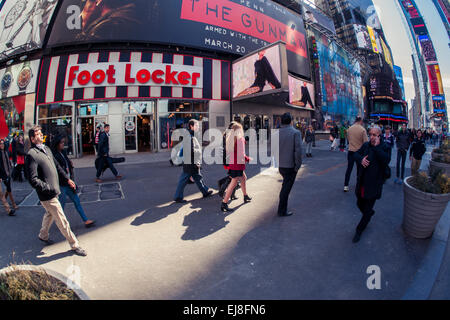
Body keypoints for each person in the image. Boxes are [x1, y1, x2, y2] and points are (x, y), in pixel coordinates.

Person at [25, 126, 87, 256]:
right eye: (37, 134)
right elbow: (33, 179)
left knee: (50, 214)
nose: (41, 135)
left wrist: (67, 179)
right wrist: (48, 187)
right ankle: (74, 245)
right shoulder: (32, 155)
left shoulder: (46, 149)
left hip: (55, 190)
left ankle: (43, 235)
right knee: (62, 220)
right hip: (47, 195)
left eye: (41, 133)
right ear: (32, 138)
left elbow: (57, 167)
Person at [352, 126, 390, 243]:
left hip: (374, 184)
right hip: (362, 182)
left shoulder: (384, 147)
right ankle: (369, 214)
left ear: (379, 136)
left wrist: (377, 147)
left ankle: (359, 230)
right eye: (370, 134)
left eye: (374, 135)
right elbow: (355, 154)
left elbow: (386, 160)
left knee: (367, 210)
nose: (372, 137)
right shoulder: (366, 145)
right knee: (359, 203)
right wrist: (361, 159)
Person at [52, 136, 95, 228]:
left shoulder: (63, 152)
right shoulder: (55, 156)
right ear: (57, 144)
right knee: (61, 205)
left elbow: (66, 163)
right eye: (61, 143)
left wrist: (69, 165)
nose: (63, 144)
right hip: (62, 184)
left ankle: (85, 220)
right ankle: (60, 223)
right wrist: (68, 179)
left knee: (76, 200)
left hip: (68, 181)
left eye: (63, 142)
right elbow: (59, 170)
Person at [173, 119, 213, 203]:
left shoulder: (192, 135)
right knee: (183, 179)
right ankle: (177, 197)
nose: (198, 127)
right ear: (191, 126)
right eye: (196, 125)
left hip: (192, 162)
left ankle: (205, 191)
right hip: (190, 162)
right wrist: (196, 161)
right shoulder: (189, 136)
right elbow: (190, 150)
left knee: (198, 177)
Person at [220, 122, 252, 212]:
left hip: (233, 164)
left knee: (243, 178)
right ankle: (224, 203)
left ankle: (245, 196)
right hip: (238, 165)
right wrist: (248, 159)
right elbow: (241, 154)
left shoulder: (230, 138)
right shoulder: (240, 139)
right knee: (233, 183)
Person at [277, 113, 302, 217]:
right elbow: (298, 151)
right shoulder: (296, 132)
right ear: (291, 121)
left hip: (281, 165)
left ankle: (282, 209)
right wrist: (298, 165)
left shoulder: (277, 132)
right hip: (290, 166)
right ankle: (282, 211)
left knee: (285, 186)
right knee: (286, 189)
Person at [344, 117, 368, 192]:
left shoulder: (349, 129)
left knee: (349, 169)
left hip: (351, 151)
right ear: (360, 121)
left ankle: (346, 185)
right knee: (359, 169)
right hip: (359, 152)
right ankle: (358, 184)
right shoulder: (362, 130)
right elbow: (366, 143)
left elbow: (348, 139)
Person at [0, 139, 16, 216]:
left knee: (2, 194)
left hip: (6, 173)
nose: (2, 145)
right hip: (2, 174)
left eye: (3, 143)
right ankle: (11, 205)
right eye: (0, 144)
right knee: (4, 192)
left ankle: (9, 210)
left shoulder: (5, 152)